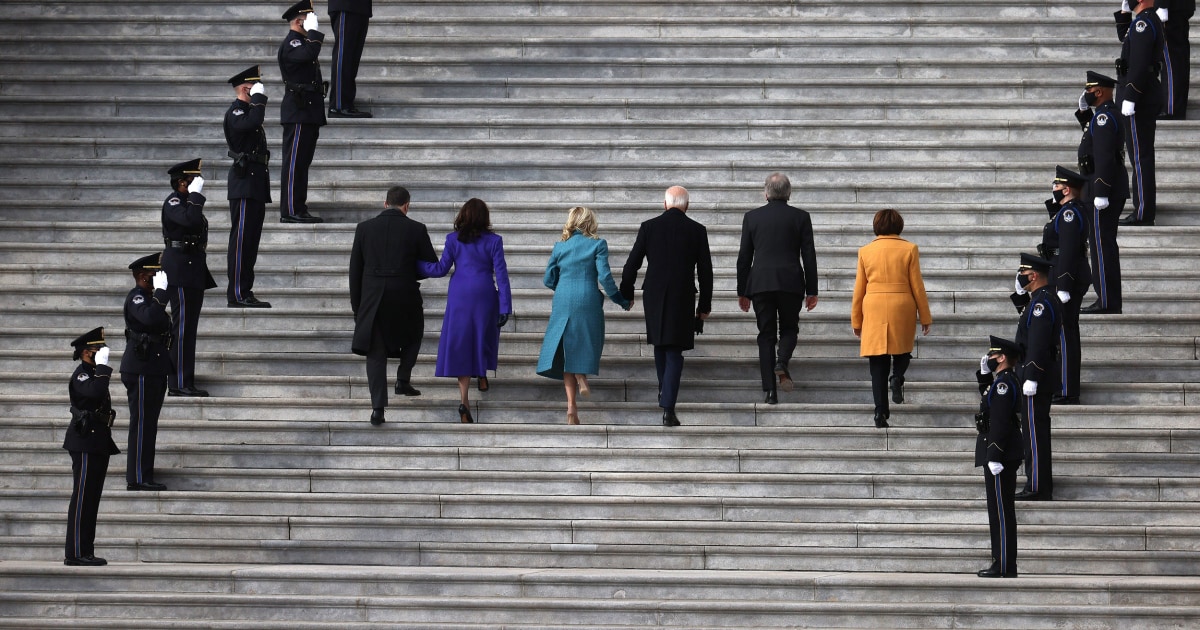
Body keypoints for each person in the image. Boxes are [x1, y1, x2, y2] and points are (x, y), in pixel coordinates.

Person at [620, 186, 714, 427]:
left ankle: (665, 392)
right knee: (673, 349)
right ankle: (668, 408)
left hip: (654, 294)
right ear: (687, 205)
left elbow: (631, 264)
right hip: (682, 295)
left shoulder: (649, 227)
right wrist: (704, 305)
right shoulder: (697, 230)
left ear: (664, 204)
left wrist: (627, 292)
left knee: (661, 343)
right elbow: (706, 272)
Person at [419, 198, 513, 423]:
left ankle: (464, 400)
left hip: (460, 295)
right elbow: (501, 275)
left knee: (463, 344)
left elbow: (441, 269)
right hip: (484, 293)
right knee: (482, 336)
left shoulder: (453, 239)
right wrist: (505, 305)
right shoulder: (494, 241)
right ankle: (482, 374)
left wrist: (415, 263)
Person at [349, 186, 437, 425]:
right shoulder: (416, 228)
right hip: (404, 294)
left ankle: (377, 409)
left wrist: (358, 309)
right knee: (414, 334)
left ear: (385, 203)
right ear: (406, 206)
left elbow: (355, 272)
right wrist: (406, 271)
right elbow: (430, 264)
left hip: (373, 298)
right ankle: (403, 379)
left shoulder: (364, 228)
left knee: (375, 353)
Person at [537, 206, 632, 425]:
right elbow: (605, 277)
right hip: (588, 297)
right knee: (587, 340)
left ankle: (571, 406)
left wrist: (563, 287)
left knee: (565, 349)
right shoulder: (598, 244)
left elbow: (548, 279)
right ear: (590, 222)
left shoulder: (560, 246)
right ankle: (582, 375)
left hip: (563, 298)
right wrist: (621, 300)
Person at [735, 172, 819, 405]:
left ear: (766, 193)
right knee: (789, 328)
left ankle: (770, 391)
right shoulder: (801, 217)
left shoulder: (752, 217)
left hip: (761, 283)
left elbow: (744, 258)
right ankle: (781, 361)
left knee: (766, 335)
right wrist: (812, 290)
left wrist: (743, 291)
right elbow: (809, 255)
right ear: (789, 193)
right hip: (790, 282)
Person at [849, 209, 932, 428]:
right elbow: (917, 285)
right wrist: (925, 316)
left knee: (877, 363)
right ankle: (897, 377)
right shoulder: (909, 249)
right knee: (903, 350)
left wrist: (856, 320)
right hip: (902, 304)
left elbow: (859, 289)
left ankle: (880, 412)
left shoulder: (865, 251)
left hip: (874, 306)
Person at [161, 158, 217, 397]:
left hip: (192, 269)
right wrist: (195, 196)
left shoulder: (187, 202)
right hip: (180, 270)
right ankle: (178, 383)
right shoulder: (174, 202)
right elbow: (190, 220)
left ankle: (185, 380)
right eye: (194, 179)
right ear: (182, 182)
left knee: (189, 329)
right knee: (182, 329)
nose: (198, 183)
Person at [65, 327, 120, 566]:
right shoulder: (82, 375)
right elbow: (96, 393)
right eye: (98, 349)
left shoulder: (93, 373)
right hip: (85, 440)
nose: (101, 353)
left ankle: (85, 550)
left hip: (97, 440)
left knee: (92, 499)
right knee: (83, 498)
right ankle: (76, 552)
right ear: (86, 353)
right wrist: (104, 368)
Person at [1075, 71, 1127, 315]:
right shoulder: (1102, 115)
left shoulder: (1105, 117)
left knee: (1101, 247)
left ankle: (1107, 301)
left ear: (1099, 91)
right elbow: (1092, 137)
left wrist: (1101, 190)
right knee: (1101, 245)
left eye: (1089, 90)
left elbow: (1105, 156)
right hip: (1099, 187)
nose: (1087, 93)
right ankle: (1108, 299)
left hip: (1102, 189)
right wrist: (1084, 112)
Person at [121, 254, 174, 491]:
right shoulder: (138, 297)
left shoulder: (151, 299)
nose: (159, 278)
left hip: (153, 368)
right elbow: (150, 318)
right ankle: (138, 478)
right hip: (141, 368)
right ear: (143, 276)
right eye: (155, 274)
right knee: (142, 423)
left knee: (149, 424)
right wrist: (161, 293)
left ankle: (144, 474)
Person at [973, 336, 1024, 578]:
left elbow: (1001, 421)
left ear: (1002, 358)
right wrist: (984, 376)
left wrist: (993, 453)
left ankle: (1003, 564)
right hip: (1002, 452)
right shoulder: (1002, 381)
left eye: (992, 356)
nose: (989, 358)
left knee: (1000, 512)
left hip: (1000, 454)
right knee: (999, 511)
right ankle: (1002, 562)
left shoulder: (1004, 384)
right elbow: (989, 402)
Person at [1013, 254, 1062, 501]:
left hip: (1036, 378)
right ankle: (1038, 483)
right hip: (1037, 376)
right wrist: (1019, 296)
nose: (1020, 277)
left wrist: (1031, 375)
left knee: (1034, 433)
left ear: (1033, 276)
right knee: (1034, 432)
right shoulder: (1040, 299)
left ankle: (1037, 486)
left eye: (1023, 274)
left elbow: (1039, 342)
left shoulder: (1042, 303)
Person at [225, 65, 273, 308]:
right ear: (246, 89)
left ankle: (245, 290)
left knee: (251, 242)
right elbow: (254, 120)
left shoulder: (246, 112)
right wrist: (259, 100)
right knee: (242, 242)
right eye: (255, 86)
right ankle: (236, 293)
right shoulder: (237, 112)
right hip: (244, 184)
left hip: (254, 183)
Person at [1115, 0, 1166, 226]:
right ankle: (1143, 208)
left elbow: (1139, 63)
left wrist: (1131, 95)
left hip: (1140, 96)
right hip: (1143, 94)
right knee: (1140, 155)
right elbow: (1124, 38)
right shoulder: (1142, 21)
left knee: (1140, 156)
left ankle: (1143, 212)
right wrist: (1124, 12)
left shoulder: (1143, 23)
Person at [1042, 167, 1090, 405]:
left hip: (1066, 277)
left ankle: (1067, 390)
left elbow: (1069, 249)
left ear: (1067, 189)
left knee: (1064, 335)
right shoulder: (1068, 211)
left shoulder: (1070, 213)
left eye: (1057, 186)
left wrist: (1064, 284)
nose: (1054, 189)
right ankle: (1065, 386)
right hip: (1063, 274)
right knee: (1065, 333)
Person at [278, 0, 326, 223]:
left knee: (302, 163)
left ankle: (299, 206)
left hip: (307, 110)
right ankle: (290, 209)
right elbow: (308, 54)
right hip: (298, 111)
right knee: (294, 163)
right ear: (299, 22)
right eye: (309, 19)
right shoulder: (293, 43)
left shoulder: (302, 42)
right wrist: (314, 33)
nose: (313, 23)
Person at [327, 0, 372, 118]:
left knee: (352, 59)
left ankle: (347, 103)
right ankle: (338, 105)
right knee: (344, 55)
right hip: (346, 5)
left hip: (361, 7)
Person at [1155, 0, 1193, 119]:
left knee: (1170, 61)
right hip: (1178, 7)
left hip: (1170, 8)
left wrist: (1162, 4)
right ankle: (1177, 107)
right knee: (1178, 60)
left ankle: (1170, 109)